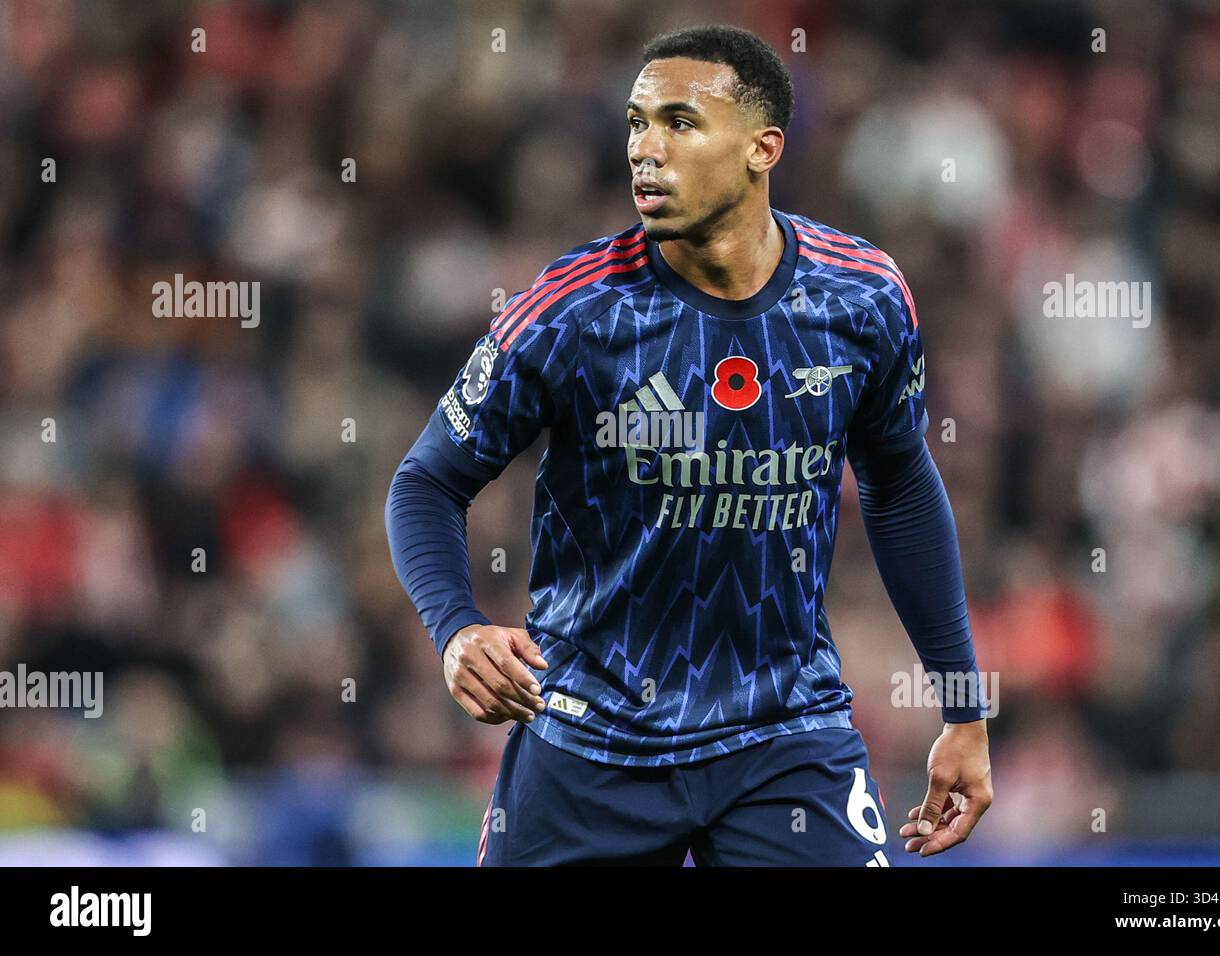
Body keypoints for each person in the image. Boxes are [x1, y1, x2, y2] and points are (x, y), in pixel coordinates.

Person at [386, 23, 992, 866]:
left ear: (762, 147)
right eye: (636, 122)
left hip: (785, 736)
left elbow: (901, 487)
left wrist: (963, 707)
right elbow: (426, 483)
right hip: (588, 740)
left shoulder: (862, 300)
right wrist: (454, 628)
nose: (645, 149)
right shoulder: (572, 312)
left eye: (679, 122)